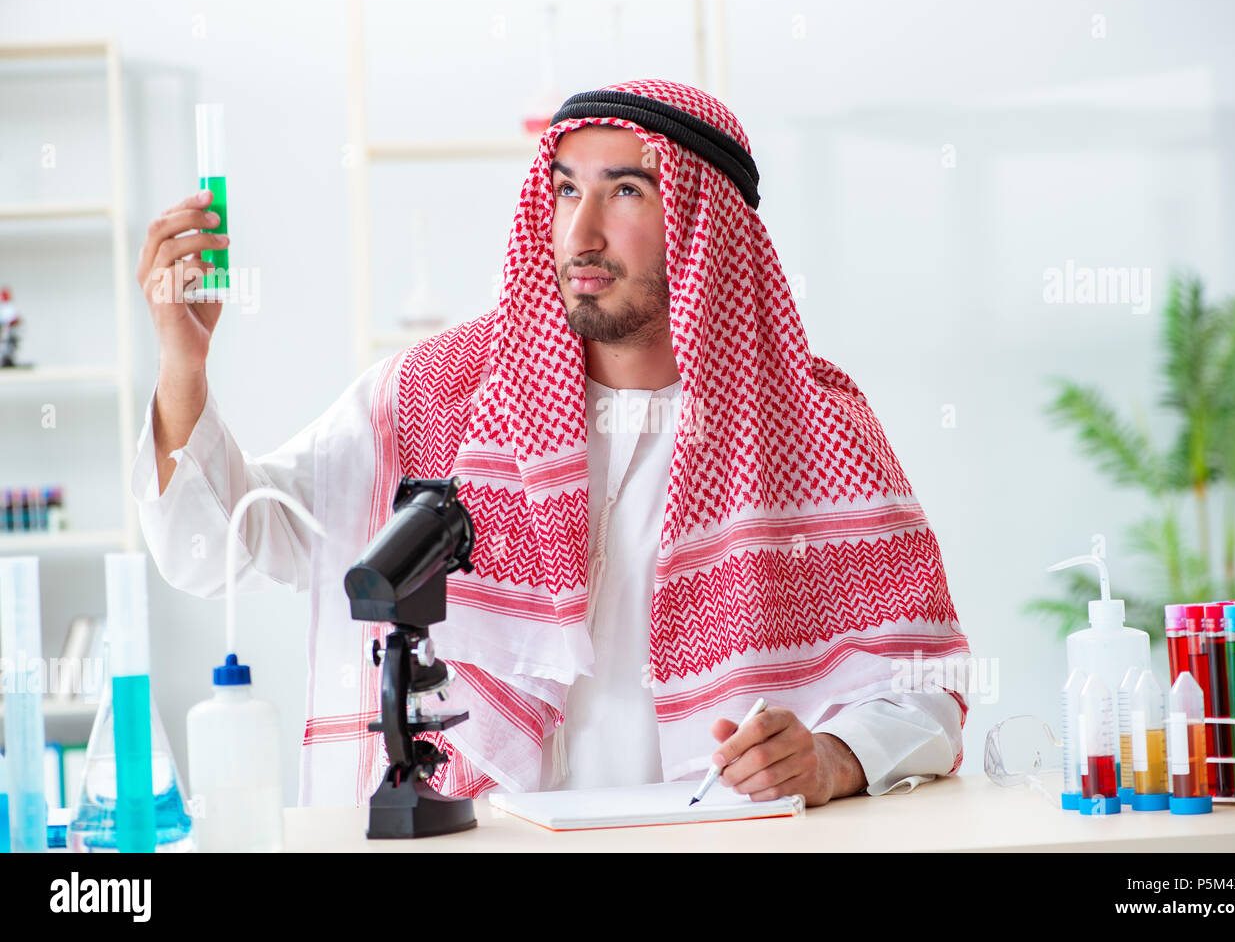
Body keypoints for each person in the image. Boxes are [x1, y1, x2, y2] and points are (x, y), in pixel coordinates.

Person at [133, 79, 972, 809]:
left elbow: (925, 692)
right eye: (567, 191)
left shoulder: (812, 424)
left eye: (626, 192)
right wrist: (183, 360)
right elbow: (217, 546)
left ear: (704, 225)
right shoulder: (443, 398)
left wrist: (833, 758)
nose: (581, 232)